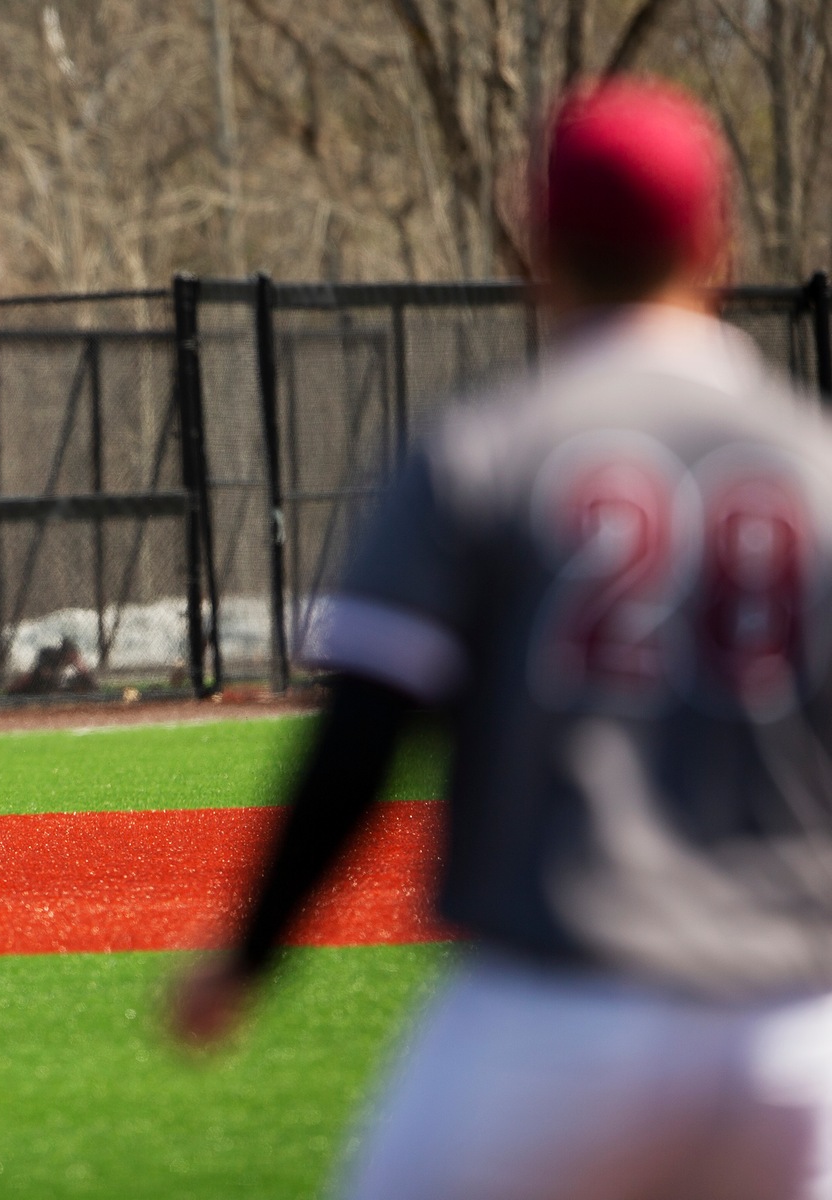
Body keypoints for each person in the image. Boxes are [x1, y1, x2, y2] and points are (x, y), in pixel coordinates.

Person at [173, 80, 832, 1199]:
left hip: (551, 1014)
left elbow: (366, 735)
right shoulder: (814, 463)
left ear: (543, 245)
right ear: (715, 240)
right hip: (796, 1042)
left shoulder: (491, 448)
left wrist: (251, 955)